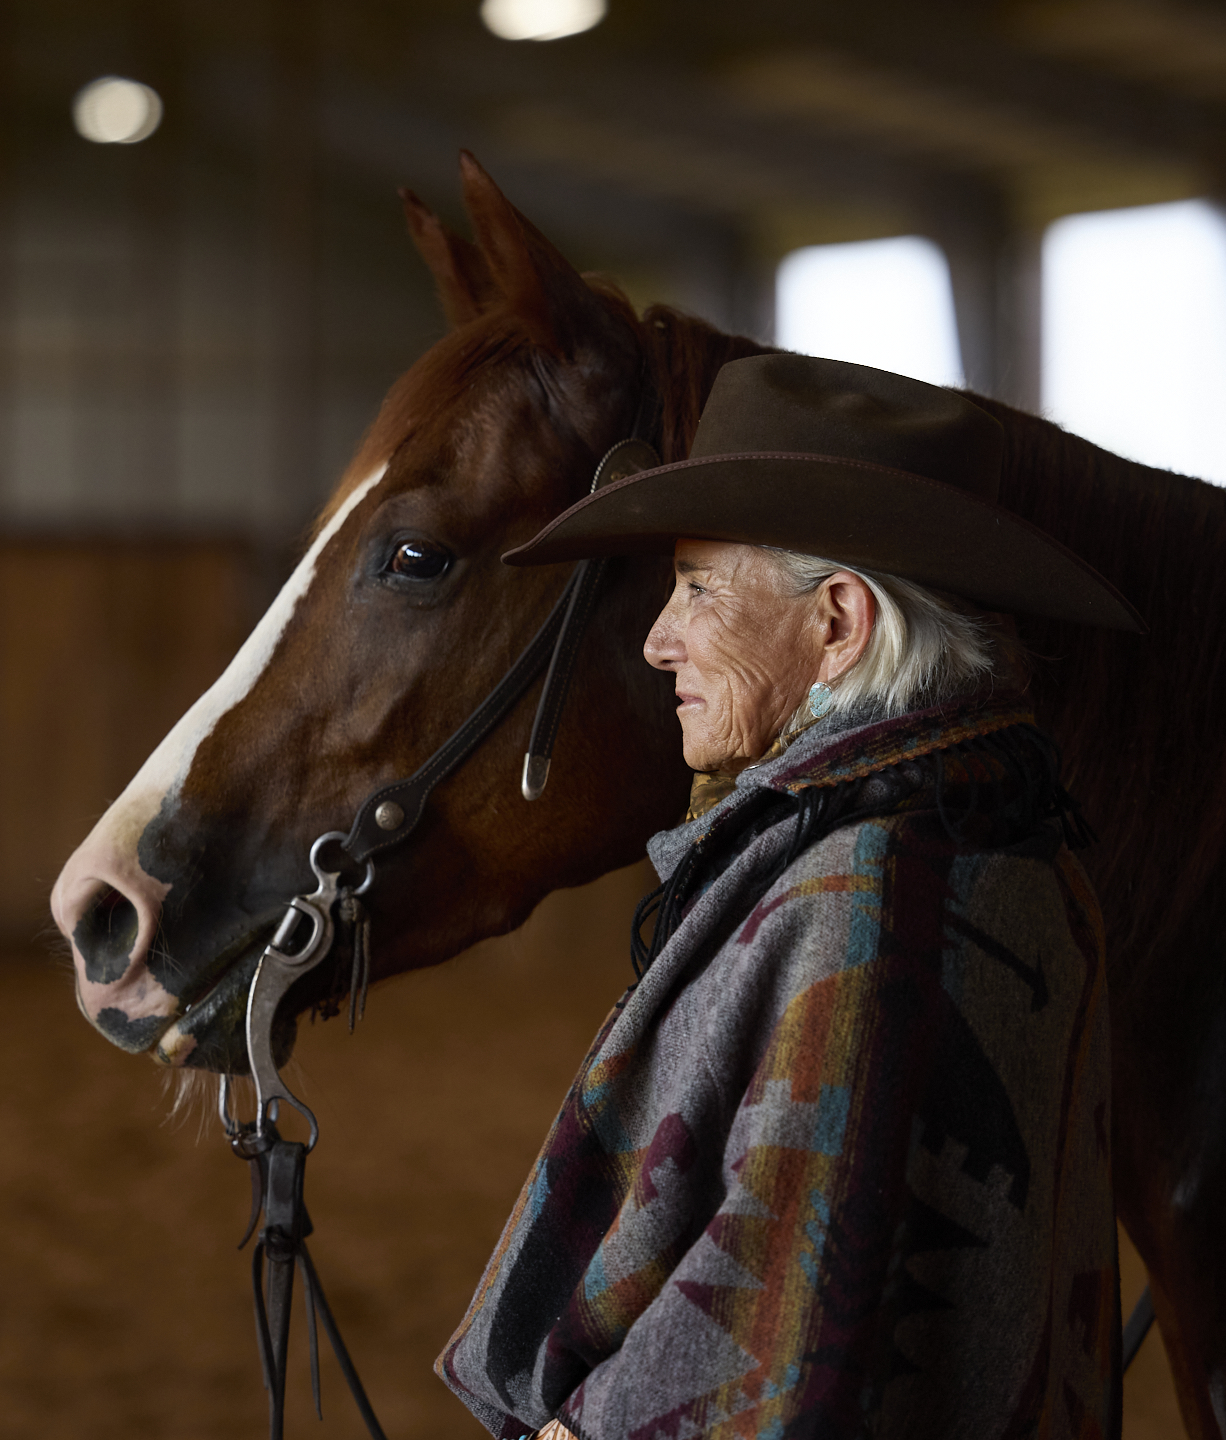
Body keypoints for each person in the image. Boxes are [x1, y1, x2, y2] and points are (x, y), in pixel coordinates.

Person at [434, 354, 1142, 1440]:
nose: (655, 638)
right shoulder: (989, 847)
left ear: (837, 622)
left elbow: (786, 1316)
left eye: (699, 587)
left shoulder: (868, 897)